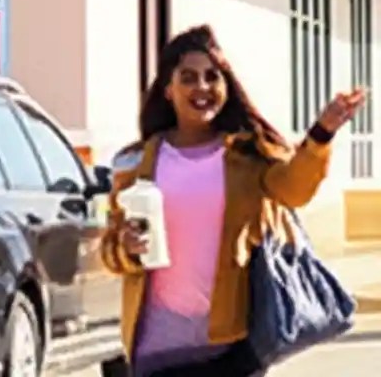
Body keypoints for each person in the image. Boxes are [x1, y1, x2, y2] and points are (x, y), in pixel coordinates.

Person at [100, 25, 365, 377]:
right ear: (168, 89)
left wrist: (321, 134)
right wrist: (126, 248)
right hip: (156, 347)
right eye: (189, 78)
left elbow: (294, 188)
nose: (202, 88)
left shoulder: (247, 158)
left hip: (229, 348)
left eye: (213, 77)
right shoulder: (134, 164)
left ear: (226, 87)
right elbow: (110, 250)